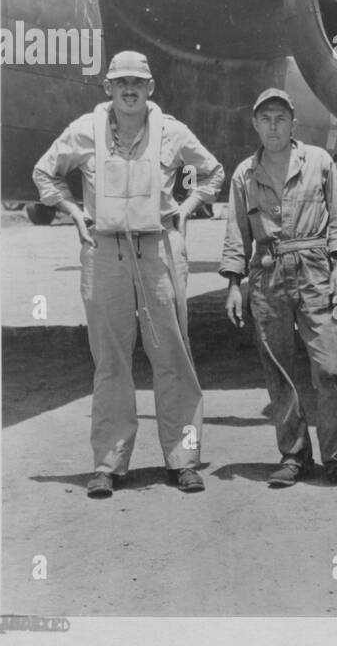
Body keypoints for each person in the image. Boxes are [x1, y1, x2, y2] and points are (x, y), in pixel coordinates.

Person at [32, 51, 224, 498]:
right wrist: (74, 213)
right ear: (108, 89)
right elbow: (45, 174)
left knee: (173, 357)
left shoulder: (172, 132)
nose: (130, 90)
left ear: (151, 88)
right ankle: (108, 463)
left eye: (138, 82)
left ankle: (185, 459)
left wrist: (188, 210)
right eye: (121, 83)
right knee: (111, 362)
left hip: (159, 249)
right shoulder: (85, 130)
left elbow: (212, 173)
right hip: (106, 253)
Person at [219, 87, 337, 491]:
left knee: (332, 362)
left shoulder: (319, 161)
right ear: (254, 124)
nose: (273, 126)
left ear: (293, 123)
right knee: (278, 367)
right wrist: (235, 285)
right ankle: (294, 454)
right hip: (267, 278)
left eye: (280, 118)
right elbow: (236, 233)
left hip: (320, 273)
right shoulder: (244, 174)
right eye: (265, 118)